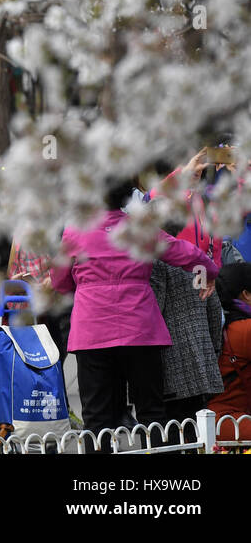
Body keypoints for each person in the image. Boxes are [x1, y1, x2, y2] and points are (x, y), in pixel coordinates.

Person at [50, 178, 218, 448]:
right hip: (141, 329)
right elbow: (181, 251)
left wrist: (83, 288)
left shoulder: (75, 232)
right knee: (152, 411)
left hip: (92, 331)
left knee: (96, 415)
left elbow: (59, 281)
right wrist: (209, 270)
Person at [150, 222, 224, 437]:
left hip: (171, 360)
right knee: (198, 429)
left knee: (174, 430)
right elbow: (214, 310)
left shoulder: (156, 263)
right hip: (202, 358)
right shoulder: (197, 260)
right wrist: (213, 349)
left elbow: (155, 309)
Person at [208, 262, 251, 441]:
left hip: (215, 420)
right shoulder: (245, 330)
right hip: (230, 420)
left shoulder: (224, 324)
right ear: (246, 294)